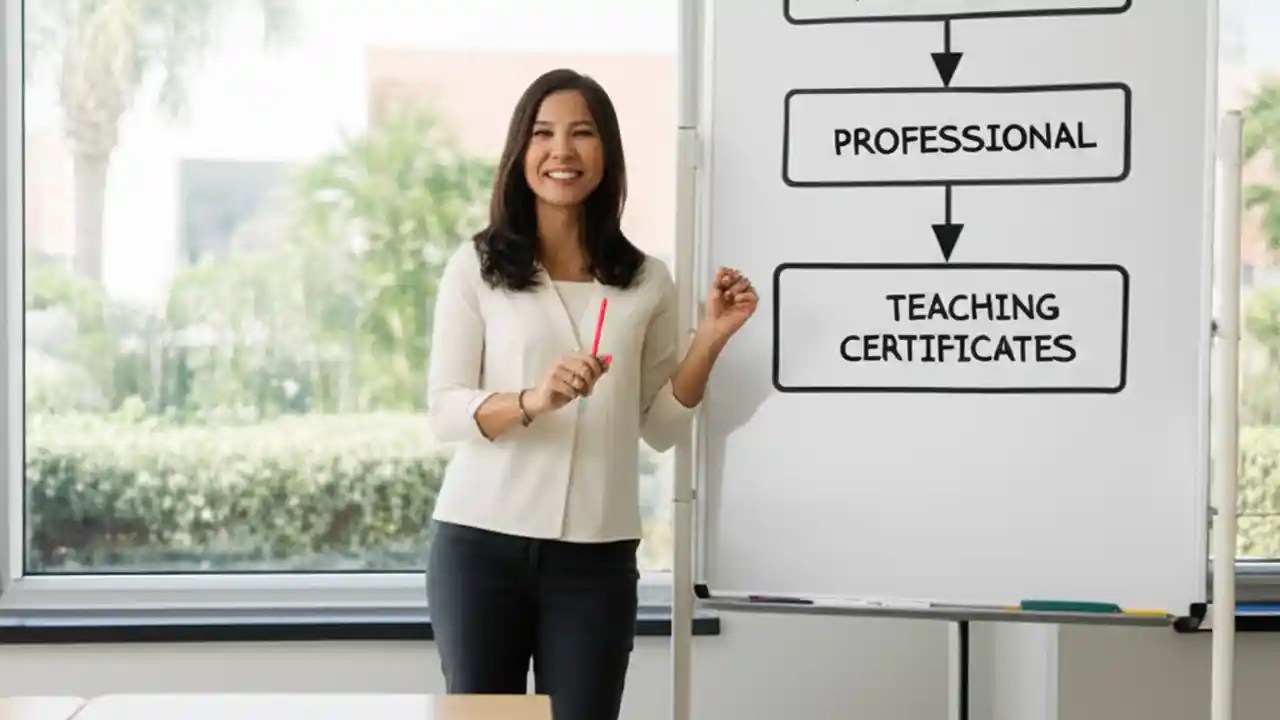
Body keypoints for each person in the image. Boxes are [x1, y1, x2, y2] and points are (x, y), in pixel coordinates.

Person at [423, 67, 757, 720]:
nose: (563, 151)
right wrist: (533, 399)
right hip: (479, 547)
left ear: (607, 153)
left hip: (597, 562)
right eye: (544, 133)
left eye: (583, 133)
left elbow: (659, 425)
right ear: (521, 152)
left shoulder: (644, 282)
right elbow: (444, 409)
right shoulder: (478, 268)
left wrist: (710, 338)